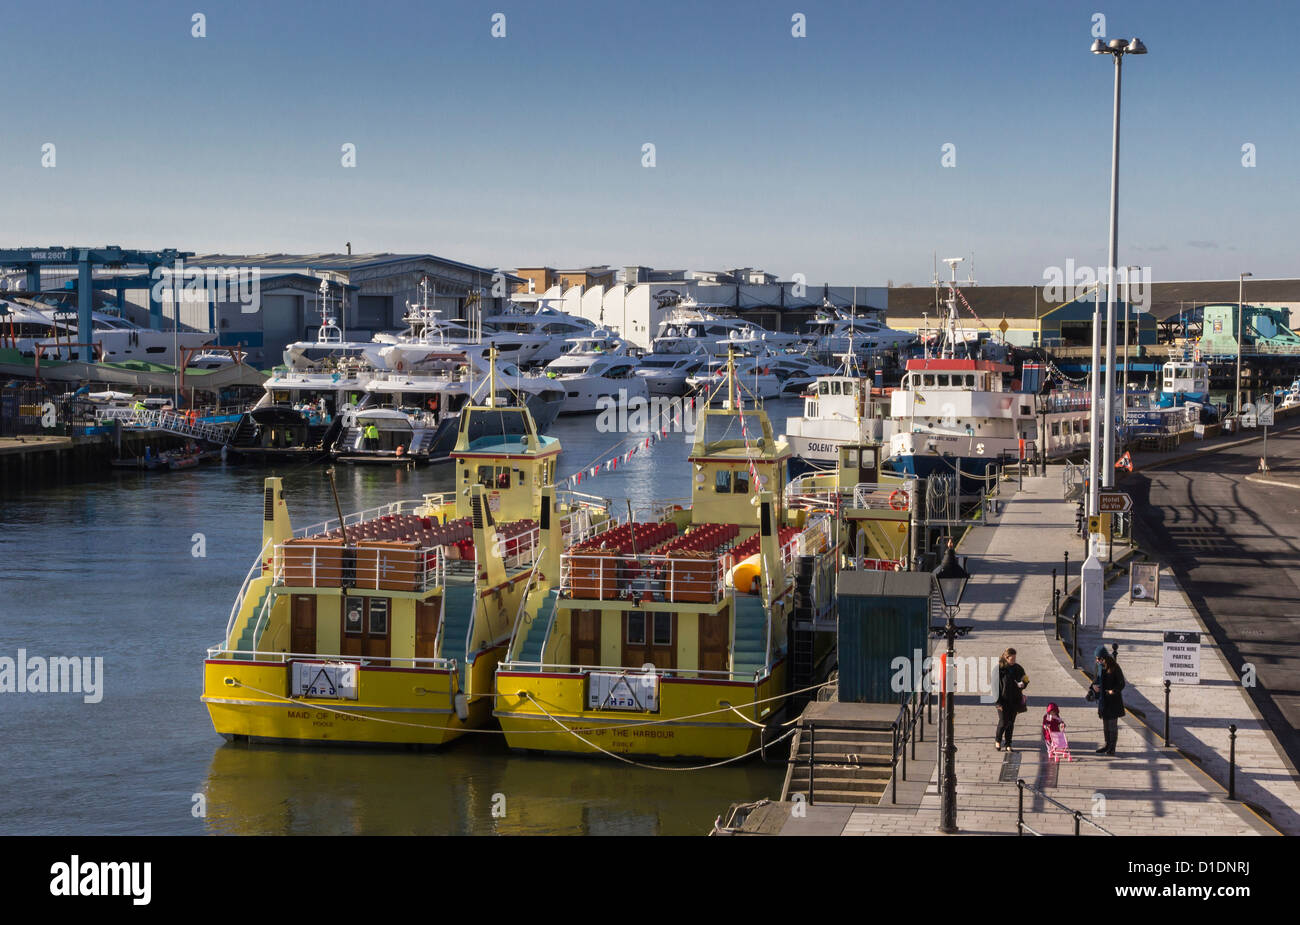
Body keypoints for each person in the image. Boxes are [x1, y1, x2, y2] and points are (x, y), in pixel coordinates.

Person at [1089, 646, 1126, 754]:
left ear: (1104, 658)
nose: (1097, 661)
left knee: (1112, 725)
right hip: (1103, 700)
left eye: (1099, 659)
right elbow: (1095, 680)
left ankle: (1112, 748)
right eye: (1096, 659)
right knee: (1105, 724)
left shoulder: (1114, 667)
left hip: (1113, 701)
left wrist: (1113, 691)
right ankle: (1107, 745)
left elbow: (1121, 683)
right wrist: (1093, 687)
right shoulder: (1098, 667)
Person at [992, 647, 1028, 751]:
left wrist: (1023, 684)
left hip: (1015, 700)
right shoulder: (998, 669)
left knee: (1011, 722)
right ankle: (998, 740)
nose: (1014, 661)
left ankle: (1008, 743)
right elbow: (994, 687)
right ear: (1006, 658)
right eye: (1012, 659)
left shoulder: (1018, 668)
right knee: (1003, 722)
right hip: (1003, 701)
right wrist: (998, 703)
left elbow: (1026, 678)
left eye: (1015, 659)